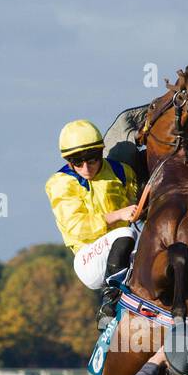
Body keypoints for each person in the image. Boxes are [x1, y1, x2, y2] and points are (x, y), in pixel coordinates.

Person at [45, 119, 141, 330]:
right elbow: (78, 228)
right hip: (88, 259)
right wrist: (117, 215)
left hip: (126, 252)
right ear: (68, 161)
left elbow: (136, 206)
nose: (86, 168)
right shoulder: (60, 183)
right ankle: (108, 303)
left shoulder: (123, 172)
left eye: (92, 159)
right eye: (77, 162)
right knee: (125, 233)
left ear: (101, 152)